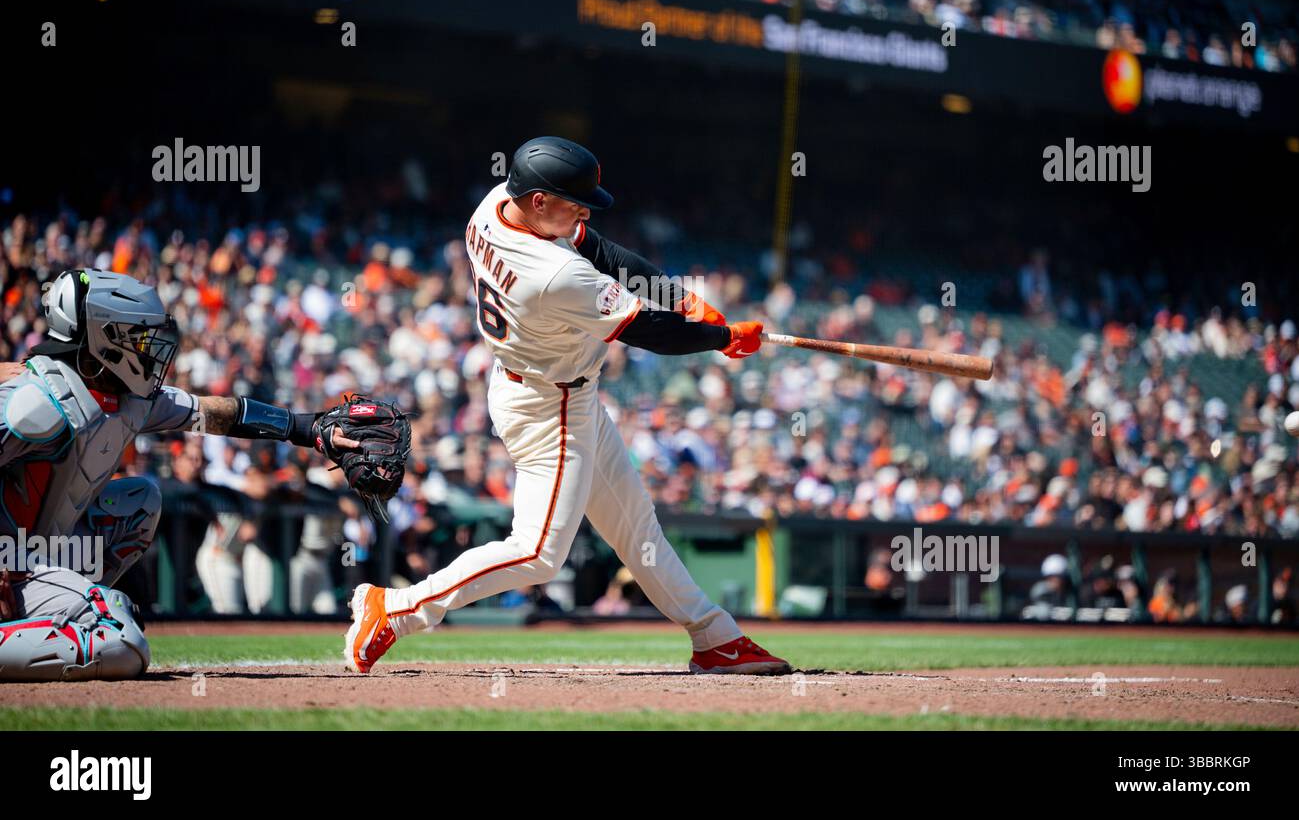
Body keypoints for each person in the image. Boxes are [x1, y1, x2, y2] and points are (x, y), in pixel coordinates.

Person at [344, 137, 789, 675]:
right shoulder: (552, 274)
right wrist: (720, 339)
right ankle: (395, 608)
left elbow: (599, 248)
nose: (583, 209)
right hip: (547, 406)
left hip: (551, 387)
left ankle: (715, 637)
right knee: (537, 553)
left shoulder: (495, 205)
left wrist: (683, 299)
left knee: (636, 531)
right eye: (573, 201)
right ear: (538, 201)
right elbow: (647, 332)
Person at [0, 269, 349, 680]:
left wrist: (307, 428)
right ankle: (68, 615)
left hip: (38, 554)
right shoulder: (35, 400)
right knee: (120, 642)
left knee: (138, 502)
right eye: (138, 336)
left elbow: (215, 414)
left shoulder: (128, 398)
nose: (150, 348)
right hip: (10, 560)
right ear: (104, 338)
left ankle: (65, 607)